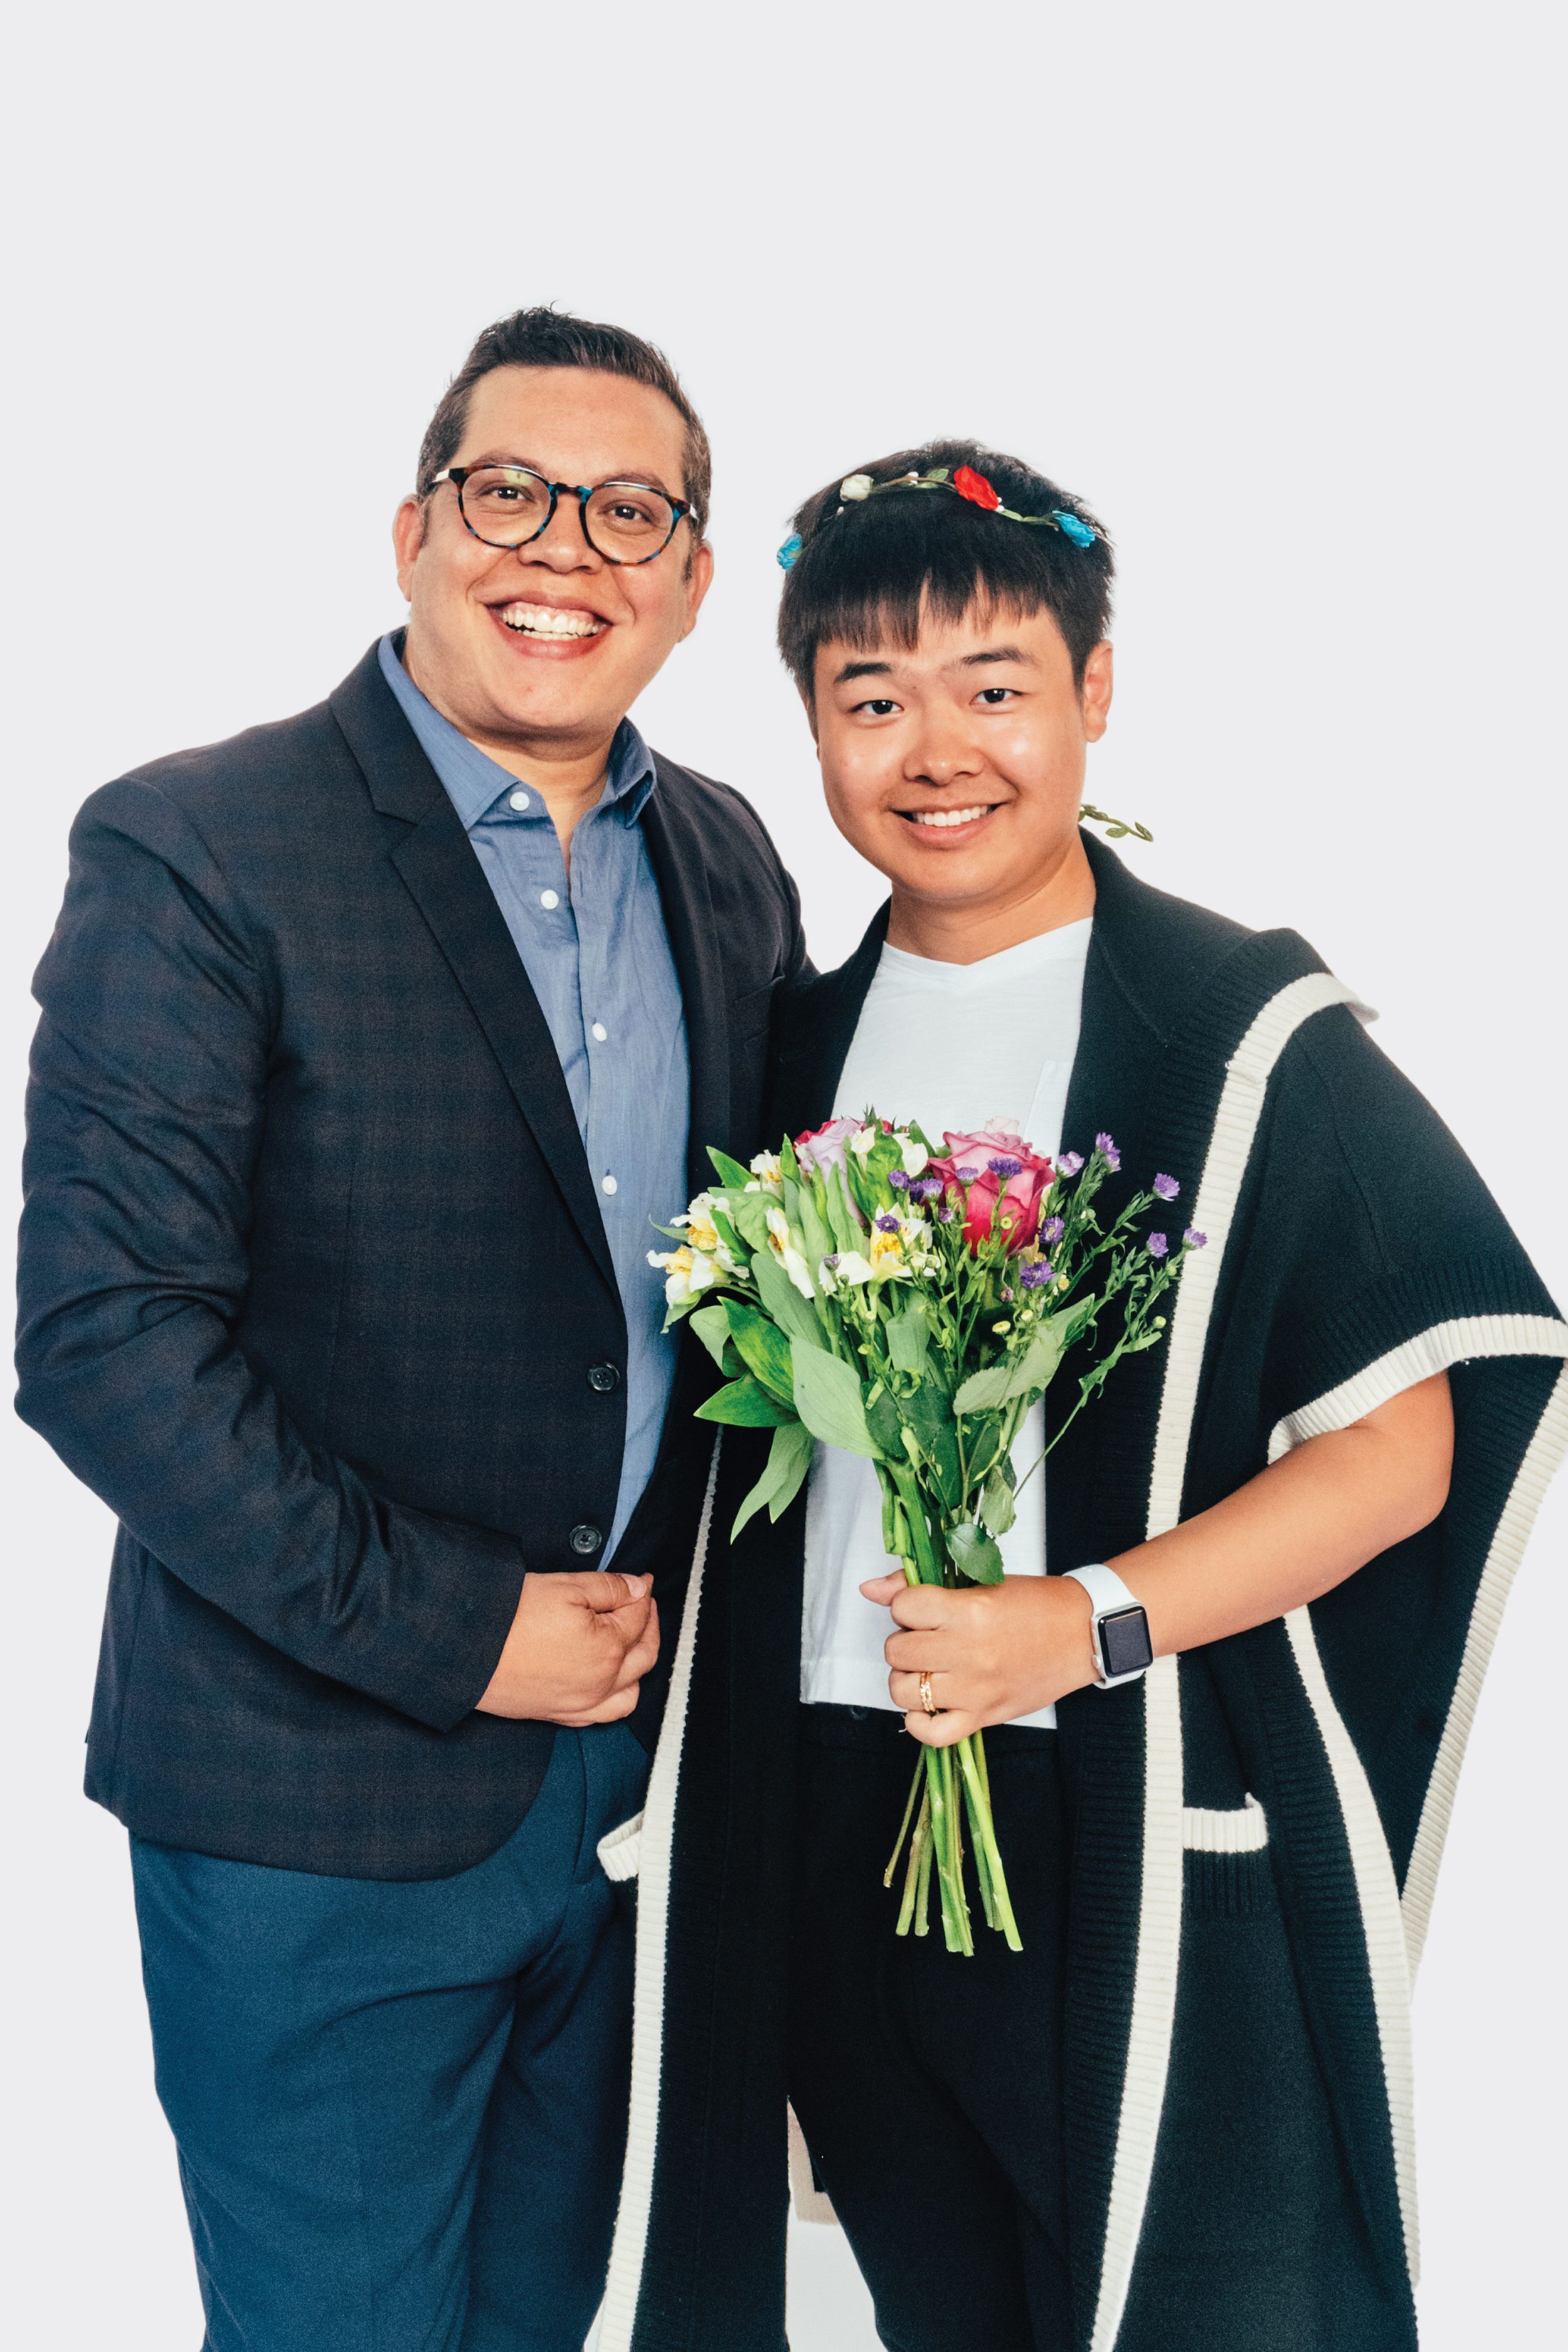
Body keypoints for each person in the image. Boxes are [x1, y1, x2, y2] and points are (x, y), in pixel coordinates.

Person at [597, 443, 1568, 2351]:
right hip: (823, 1816)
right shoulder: (783, 1039)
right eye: (870, 698)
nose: (934, 747)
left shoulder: (1235, 1030)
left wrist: (1081, 1626)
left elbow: (1399, 1451)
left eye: (993, 686)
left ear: (1090, 692)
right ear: (808, 721)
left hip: (1116, 1812)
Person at [16, 305, 804, 2352]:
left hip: (629, 1808)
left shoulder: (721, 858)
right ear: (411, 530)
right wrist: (466, 1632)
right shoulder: (203, 844)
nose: (566, 548)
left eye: (632, 511)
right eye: (508, 492)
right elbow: (102, 1336)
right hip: (316, 1810)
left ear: (695, 580)